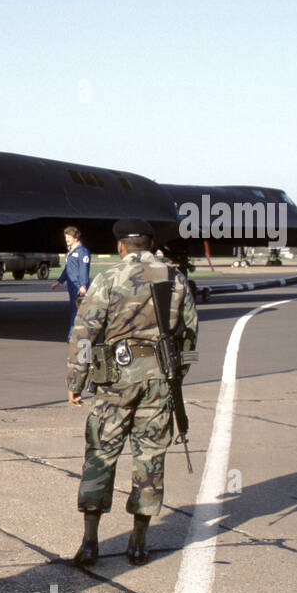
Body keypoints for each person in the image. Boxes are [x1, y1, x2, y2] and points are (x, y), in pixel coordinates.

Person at [65, 218, 198, 567]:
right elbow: (189, 337)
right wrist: (174, 377)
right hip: (159, 382)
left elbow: (84, 332)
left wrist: (76, 382)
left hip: (115, 382)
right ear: (151, 243)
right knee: (150, 458)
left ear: (121, 246)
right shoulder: (176, 277)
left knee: (100, 456)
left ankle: (90, 543)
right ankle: (138, 544)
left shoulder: (108, 278)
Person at [51, 226, 91, 339]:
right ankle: (77, 335)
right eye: (66, 237)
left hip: (78, 286)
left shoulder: (82, 252)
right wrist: (59, 281)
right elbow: (67, 269)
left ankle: (73, 336)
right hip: (71, 285)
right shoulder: (70, 252)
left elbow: (84, 269)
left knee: (79, 311)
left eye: (69, 236)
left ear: (76, 237)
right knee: (75, 310)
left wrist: (83, 285)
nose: (67, 239)